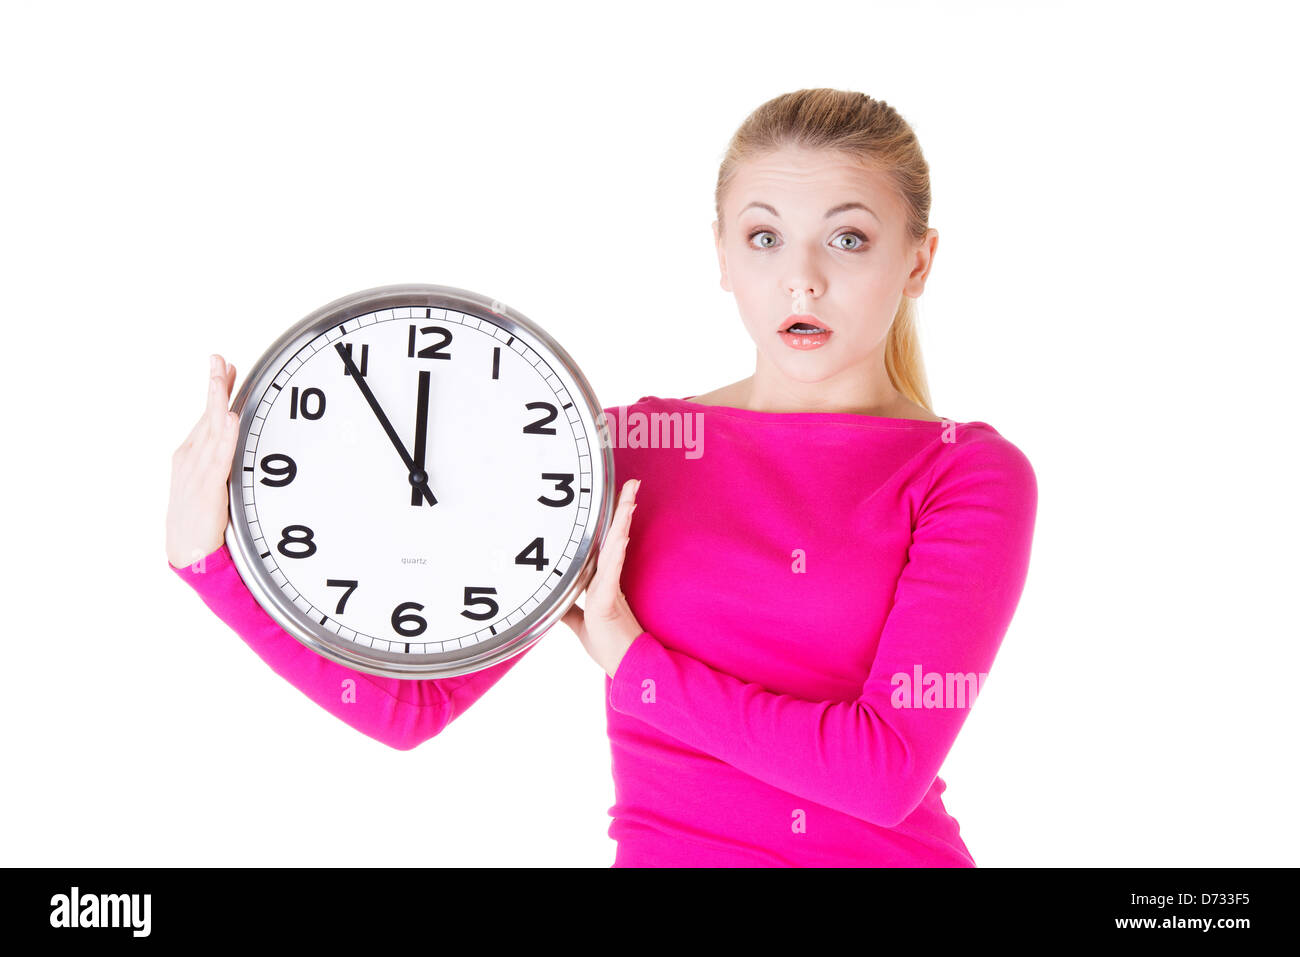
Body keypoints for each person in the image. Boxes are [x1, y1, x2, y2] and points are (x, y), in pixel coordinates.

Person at [167, 88, 1037, 867]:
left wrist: (635, 661)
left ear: (918, 262)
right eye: (763, 236)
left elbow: (881, 773)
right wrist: (207, 561)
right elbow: (409, 709)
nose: (800, 277)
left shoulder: (967, 472)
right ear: (723, 257)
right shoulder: (625, 450)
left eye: (848, 238)